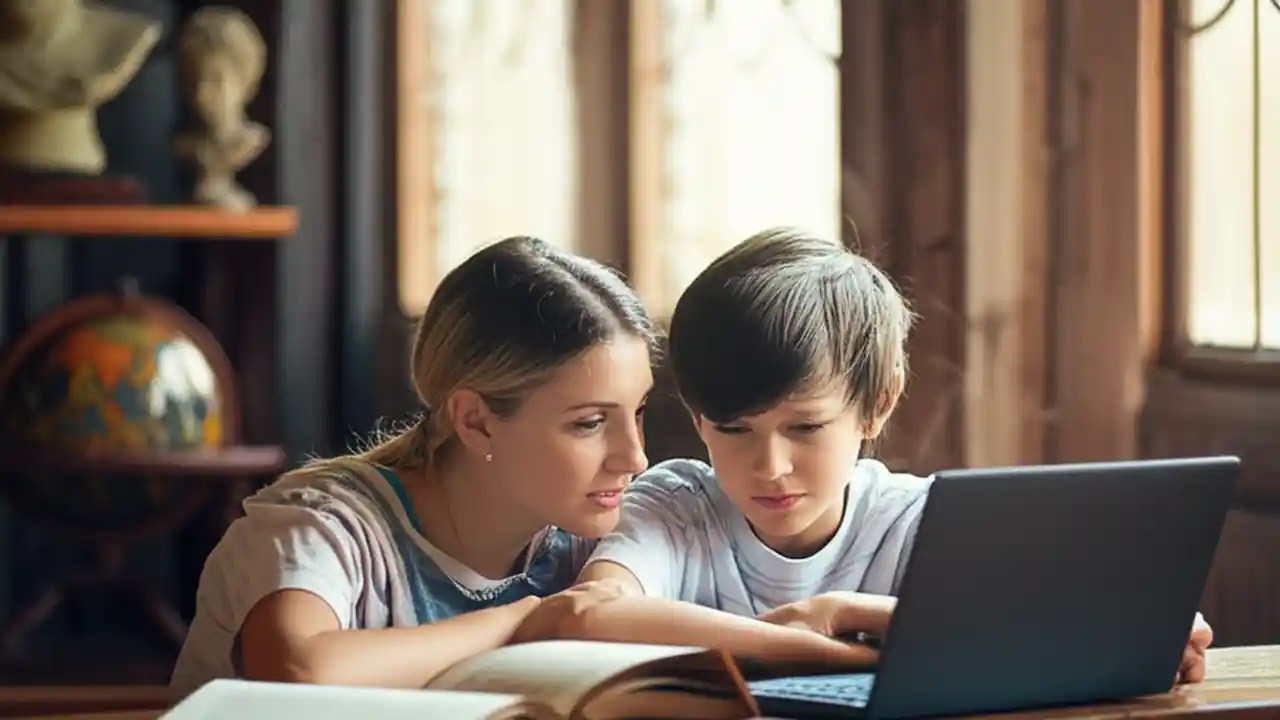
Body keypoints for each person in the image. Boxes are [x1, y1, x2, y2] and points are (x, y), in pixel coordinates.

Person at [517, 227, 1214, 684]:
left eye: (806, 429)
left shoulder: (922, 522)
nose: (771, 466)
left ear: (878, 404)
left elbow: (1065, 620)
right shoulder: (675, 509)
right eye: (734, 429)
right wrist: (816, 631)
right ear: (698, 419)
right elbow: (586, 615)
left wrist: (1139, 630)